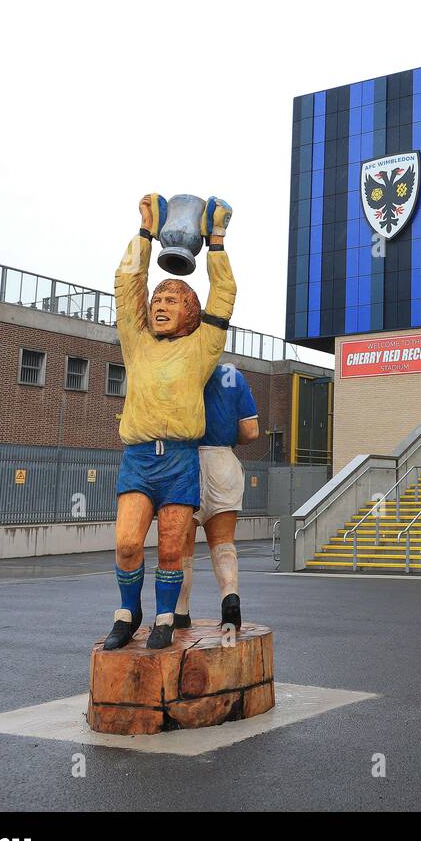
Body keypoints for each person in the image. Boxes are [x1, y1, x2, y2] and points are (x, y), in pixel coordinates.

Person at [104, 194, 236, 652]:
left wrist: (215, 241)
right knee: (126, 544)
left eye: (173, 298)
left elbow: (224, 295)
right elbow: (126, 285)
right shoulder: (135, 343)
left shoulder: (202, 348)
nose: (161, 304)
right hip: (138, 459)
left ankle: (164, 616)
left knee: (172, 548)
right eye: (158, 297)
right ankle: (127, 610)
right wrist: (144, 232)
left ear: (191, 312)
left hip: (180, 461)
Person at [174, 362, 261, 631]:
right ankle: (229, 598)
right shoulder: (233, 375)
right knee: (223, 542)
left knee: (181, 544)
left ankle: (179, 612)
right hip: (223, 461)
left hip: (186, 459)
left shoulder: (179, 366)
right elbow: (251, 431)